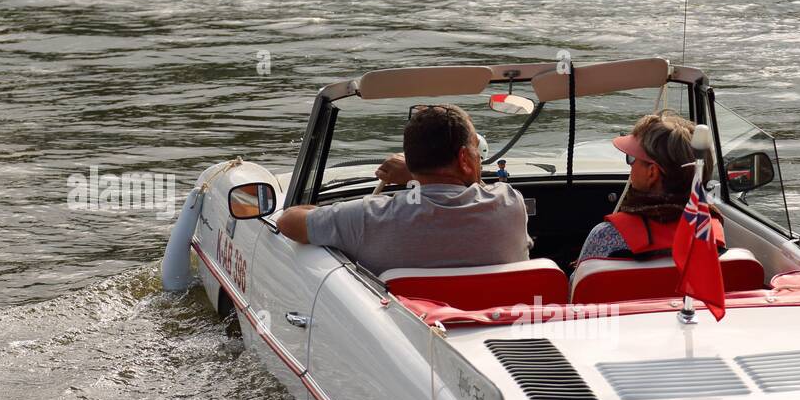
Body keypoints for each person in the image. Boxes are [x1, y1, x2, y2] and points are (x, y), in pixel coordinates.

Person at [277, 104, 532, 273]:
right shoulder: (510, 204)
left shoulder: (367, 217)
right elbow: (477, 189)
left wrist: (414, 173)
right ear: (465, 158)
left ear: (411, 159)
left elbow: (288, 221)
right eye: (476, 149)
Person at [576, 111, 724, 262]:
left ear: (652, 173)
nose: (630, 165)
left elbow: (577, 284)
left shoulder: (605, 236)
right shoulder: (712, 232)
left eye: (632, 158)